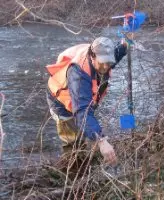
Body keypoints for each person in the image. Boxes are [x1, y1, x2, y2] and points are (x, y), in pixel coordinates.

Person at [46, 37, 127, 166]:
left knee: (87, 132)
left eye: (109, 62)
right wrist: (102, 140)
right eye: (102, 63)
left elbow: (118, 52)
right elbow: (82, 112)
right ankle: (73, 170)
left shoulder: (106, 56)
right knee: (73, 143)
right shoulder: (78, 73)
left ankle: (85, 156)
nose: (106, 67)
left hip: (81, 99)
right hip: (61, 101)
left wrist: (126, 44)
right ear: (92, 57)